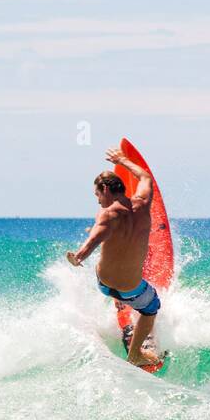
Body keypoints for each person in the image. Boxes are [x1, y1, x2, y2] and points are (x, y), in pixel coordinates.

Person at [66, 145, 161, 366]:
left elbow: (92, 242)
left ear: (106, 190)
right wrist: (122, 160)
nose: (98, 200)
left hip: (104, 283)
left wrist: (78, 257)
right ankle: (135, 354)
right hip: (131, 288)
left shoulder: (107, 215)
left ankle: (117, 300)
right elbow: (145, 176)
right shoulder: (144, 202)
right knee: (151, 308)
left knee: (104, 235)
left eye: (97, 195)